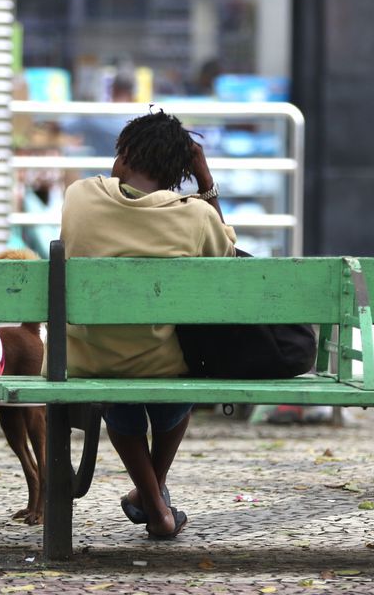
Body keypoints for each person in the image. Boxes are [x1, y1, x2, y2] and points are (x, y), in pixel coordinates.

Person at [59, 109, 237, 539]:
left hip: (90, 358)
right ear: (179, 171)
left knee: (119, 375)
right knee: (173, 367)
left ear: (123, 155)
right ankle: (154, 501)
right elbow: (231, 264)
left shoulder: (78, 196)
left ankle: (153, 501)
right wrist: (204, 177)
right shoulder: (195, 216)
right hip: (162, 362)